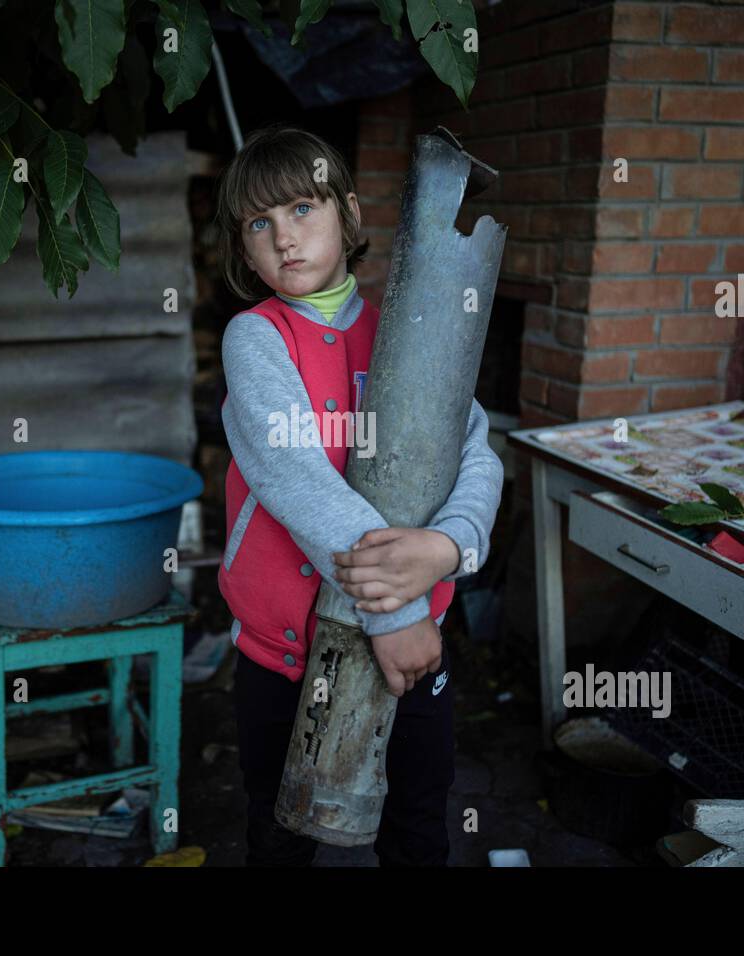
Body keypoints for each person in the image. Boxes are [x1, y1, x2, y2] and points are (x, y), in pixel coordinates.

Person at [214, 124, 504, 866]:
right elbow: (295, 478)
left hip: (412, 654)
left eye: (303, 209)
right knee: (280, 833)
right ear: (242, 248)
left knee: (416, 823)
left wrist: (450, 546)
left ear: (349, 215)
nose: (285, 237)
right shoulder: (256, 340)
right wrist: (398, 612)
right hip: (287, 660)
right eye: (260, 223)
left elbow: (478, 452)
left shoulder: (408, 333)